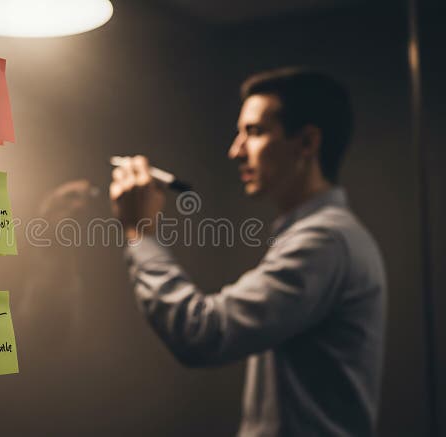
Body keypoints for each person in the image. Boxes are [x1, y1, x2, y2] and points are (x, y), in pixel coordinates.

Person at [109, 68, 387, 437]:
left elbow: (202, 334)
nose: (235, 151)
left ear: (307, 142)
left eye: (254, 132)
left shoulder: (324, 241)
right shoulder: (322, 237)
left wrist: (140, 233)